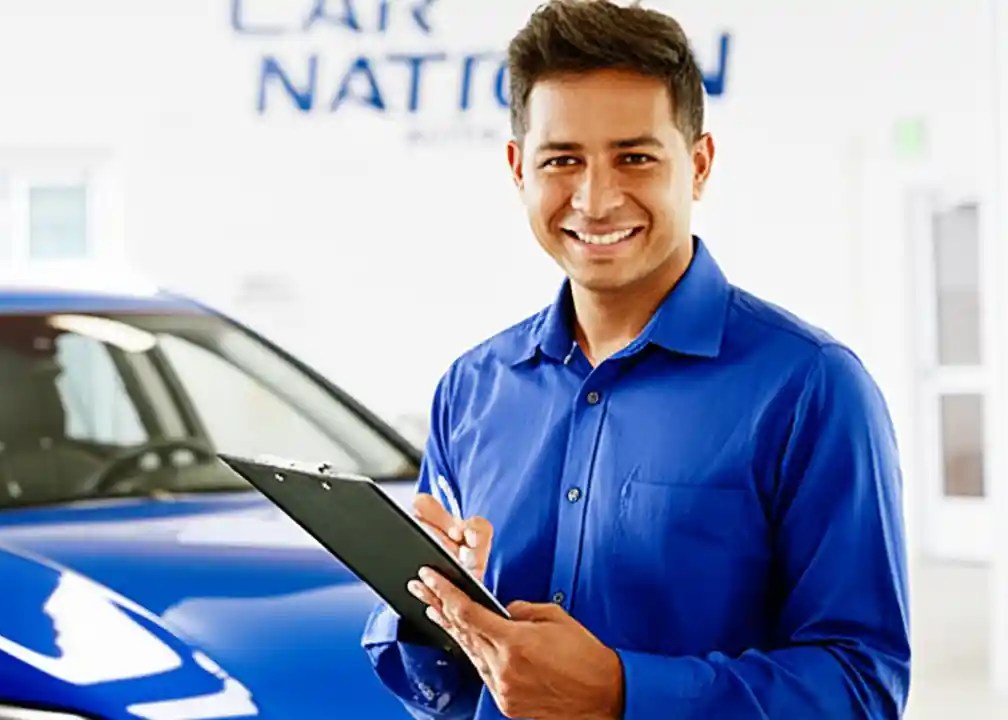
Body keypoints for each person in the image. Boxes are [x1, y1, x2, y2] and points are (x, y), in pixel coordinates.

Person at [359, 1, 911, 718]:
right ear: (517, 169)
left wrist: (624, 692)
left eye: (635, 157)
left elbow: (863, 686)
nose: (595, 198)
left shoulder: (810, 387)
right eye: (562, 160)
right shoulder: (472, 389)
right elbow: (438, 690)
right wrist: (430, 609)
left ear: (699, 164)